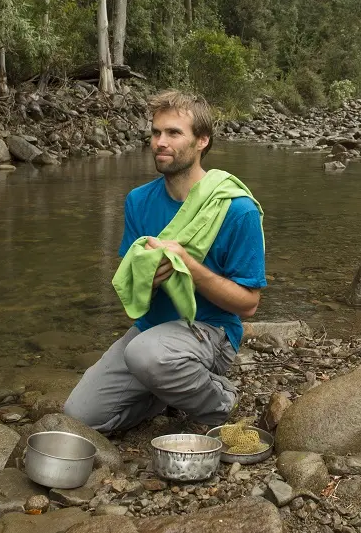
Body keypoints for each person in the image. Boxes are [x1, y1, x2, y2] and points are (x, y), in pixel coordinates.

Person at [63, 89, 266, 433]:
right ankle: (162, 391)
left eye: (174, 133)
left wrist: (187, 264)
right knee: (79, 417)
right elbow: (129, 281)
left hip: (210, 333)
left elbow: (248, 306)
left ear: (202, 141)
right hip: (150, 332)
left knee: (147, 355)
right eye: (156, 132)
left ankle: (221, 399)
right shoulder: (138, 201)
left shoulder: (236, 208)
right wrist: (147, 277)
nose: (160, 141)